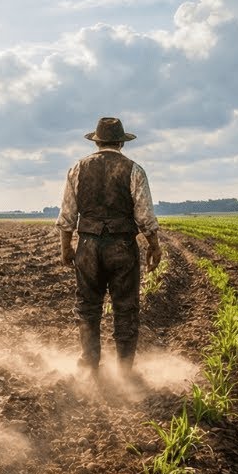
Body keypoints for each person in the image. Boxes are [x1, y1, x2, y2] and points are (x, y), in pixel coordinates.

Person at [55, 116, 161, 376]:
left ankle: (90, 364)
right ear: (121, 143)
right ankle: (124, 371)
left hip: (88, 246)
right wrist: (154, 245)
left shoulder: (78, 168)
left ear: (97, 141)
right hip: (122, 246)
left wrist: (66, 247)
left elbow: (68, 215)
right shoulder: (134, 170)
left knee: (88, 306)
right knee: (126, 308)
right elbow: (144, 215)